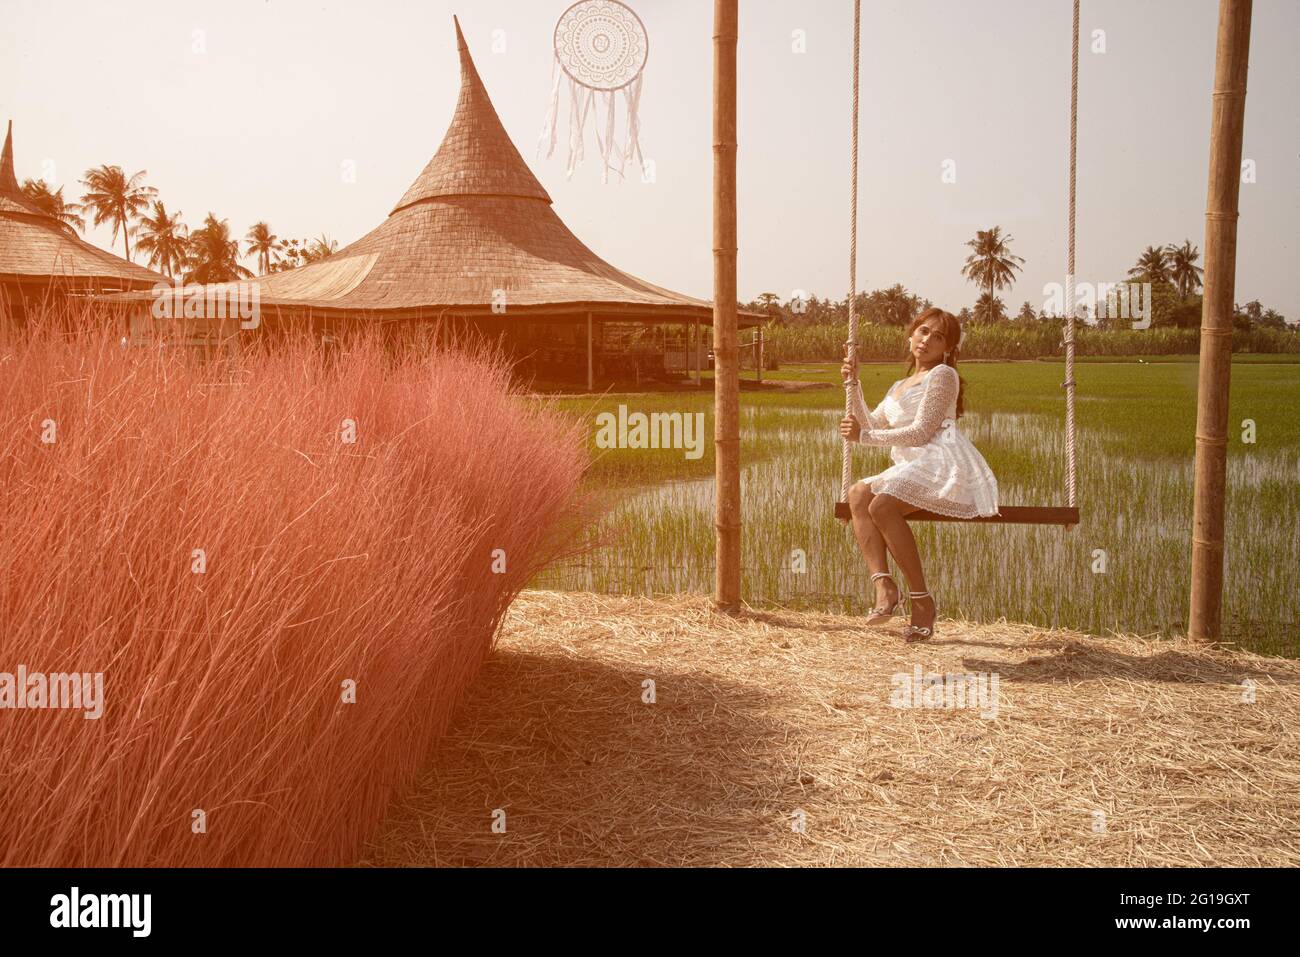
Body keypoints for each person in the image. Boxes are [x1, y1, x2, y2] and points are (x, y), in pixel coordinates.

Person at [838, 307, 999, 641]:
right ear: (911, 334)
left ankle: (921, 600)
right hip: (911, 464)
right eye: (923, 331)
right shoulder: (899, 384)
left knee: (881, 506)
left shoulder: (942, 375)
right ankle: (883, 586)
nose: (927, 340)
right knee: (857, 494)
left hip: (942, 459)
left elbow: (922, 433)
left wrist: (863, 437)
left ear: (948, 349)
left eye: (937, 337)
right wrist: (853, 384)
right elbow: (871, 424)